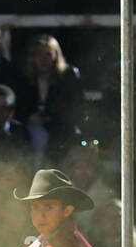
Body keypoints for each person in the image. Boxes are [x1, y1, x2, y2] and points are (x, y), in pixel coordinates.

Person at [18, 35, 86, 163]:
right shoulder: (25, 78)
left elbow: (76, 107)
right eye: (38, 55)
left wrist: (51, 117)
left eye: (48, 54)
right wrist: (29, 117)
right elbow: (20, 107)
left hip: (61, 126)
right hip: (33, 127)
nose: (43, 60)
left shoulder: (67, 76)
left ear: (56, 55)